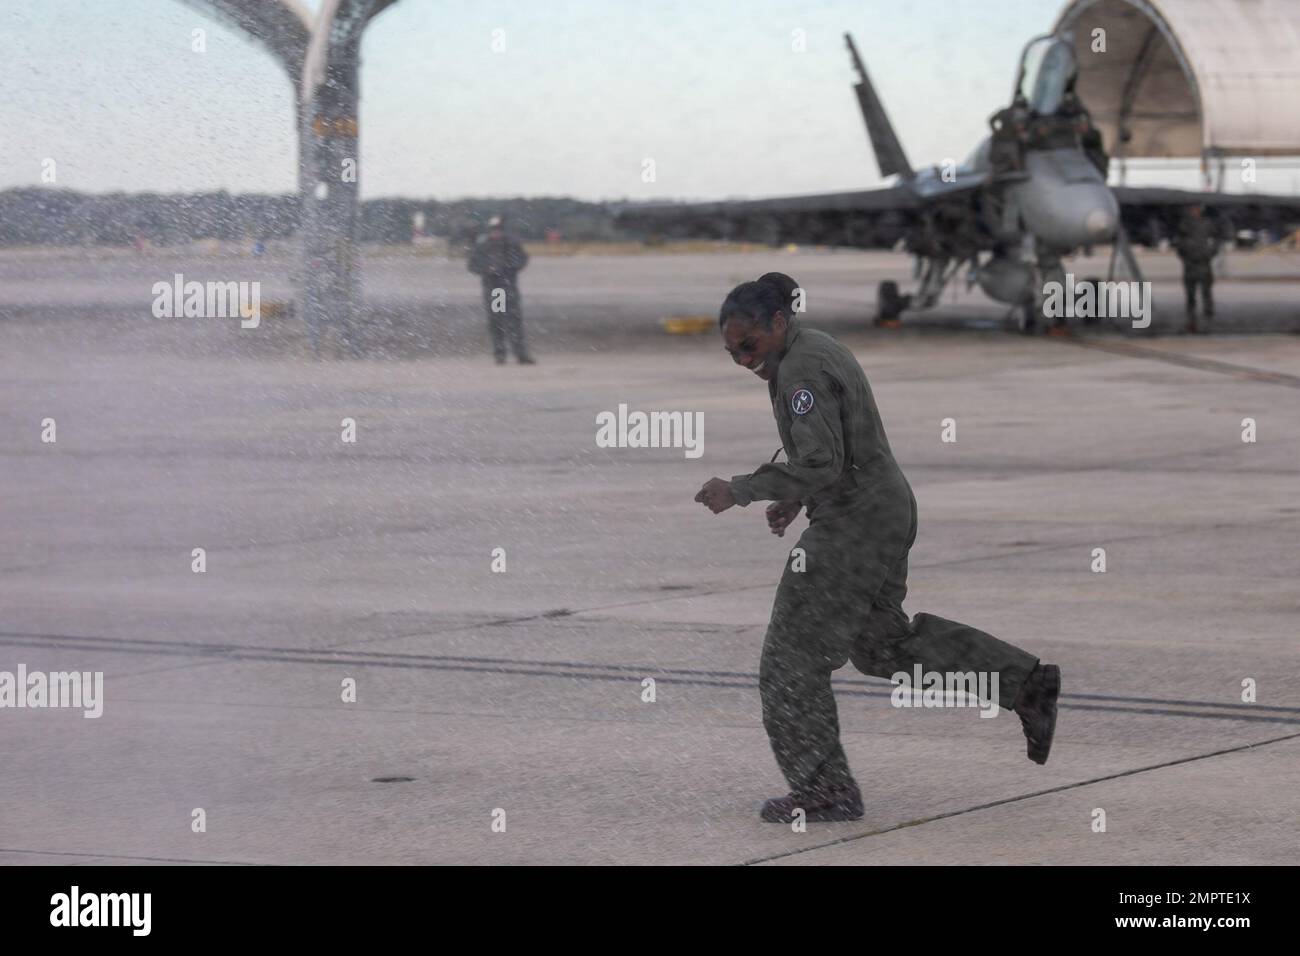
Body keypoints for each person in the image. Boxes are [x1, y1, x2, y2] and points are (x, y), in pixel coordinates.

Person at [694, 272, 1061, 823]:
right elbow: (828, 444)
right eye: (732, 352)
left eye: (749, 345)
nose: (743, 358)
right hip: (883, 509)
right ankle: (1025, 684)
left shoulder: (800, 368)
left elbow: (821, 459)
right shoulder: (813, 348)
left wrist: (742, 490)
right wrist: (795, 496)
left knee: (790, 661)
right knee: (881, 647)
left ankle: (825, 790)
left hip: (854, 524)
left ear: (777, 322)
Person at [467, 215, 535, 364]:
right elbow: (473, 265)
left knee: (514, 322)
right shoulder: (484, 245)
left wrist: (508, 268)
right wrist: (488, 269)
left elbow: (522, 259)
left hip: (508, 287)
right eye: (494, 230)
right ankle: (500, 354)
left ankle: (519, 353)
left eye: (498, 230)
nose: (496, 233)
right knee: (498, 321)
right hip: (496, 289)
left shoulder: (510, 243)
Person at [1173, 206, 1219, 333]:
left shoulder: (1207, 224)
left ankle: (1207, 322)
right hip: (1191, 266)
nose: (1194, 212)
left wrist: (1208, 254)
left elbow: (1215, 242)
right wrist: (1186, 255)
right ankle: (1191, 322)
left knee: (1206, 295)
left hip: (1203, 265)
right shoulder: (1185, 225)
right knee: (1191, 297)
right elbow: (1179, 244)